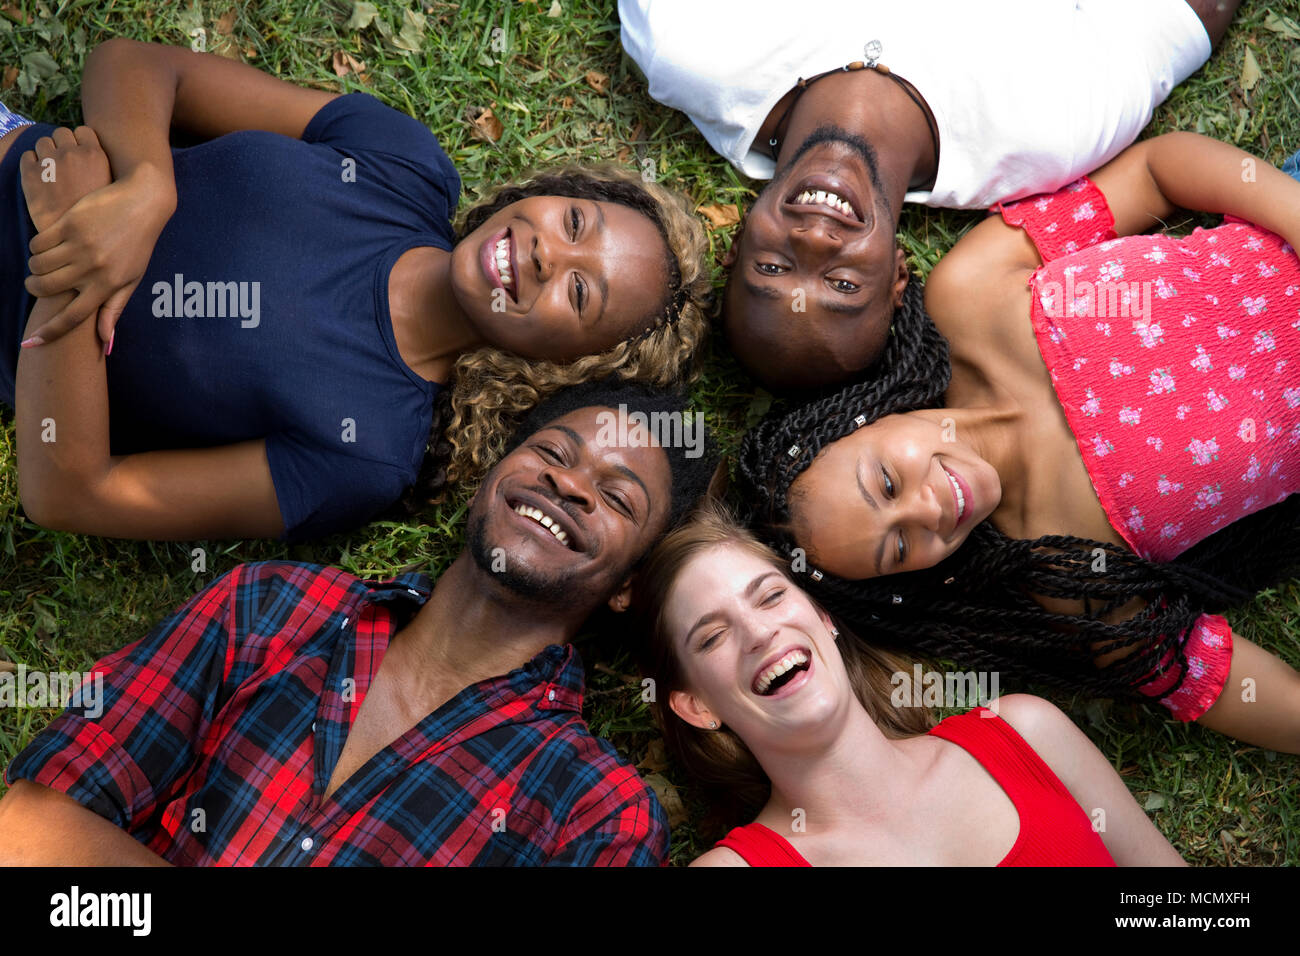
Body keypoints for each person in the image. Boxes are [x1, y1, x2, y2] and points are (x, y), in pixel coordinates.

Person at [2, 38, 710, 542]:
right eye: (574, 221)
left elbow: (73, 491)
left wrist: (66, 254)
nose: (547, 253)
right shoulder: (402, 163)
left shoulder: (363, 451)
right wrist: (144, 191)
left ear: (568, 364)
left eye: (581, 293)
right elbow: (137, 63)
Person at [736, 131, 1300, 753]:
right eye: (898, 546)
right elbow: (1210, 682)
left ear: (858, 421)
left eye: (887, 484)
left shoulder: (968, 294)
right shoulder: (1071, 574)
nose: (925, 512)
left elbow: (1156, 173)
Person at [0, 378, 716, 865]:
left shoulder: (594, 814)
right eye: (553, 453)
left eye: (617, 500)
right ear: (488, 475)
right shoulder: (271, 606)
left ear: (628, 587)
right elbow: (29, 832)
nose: (570, 485)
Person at [619, 0, 1239, 390]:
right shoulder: (1049, 128)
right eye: (841, 285)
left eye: (774, 267)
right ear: (897, 277)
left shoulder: (691, 50)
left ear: (734, 245)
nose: (812, 239)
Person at [633, 501, 1185, 866]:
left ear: (823, 618)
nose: (758, 632)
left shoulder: (1025, 732)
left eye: (771, 596)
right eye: (712, 637)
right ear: (695, 705)